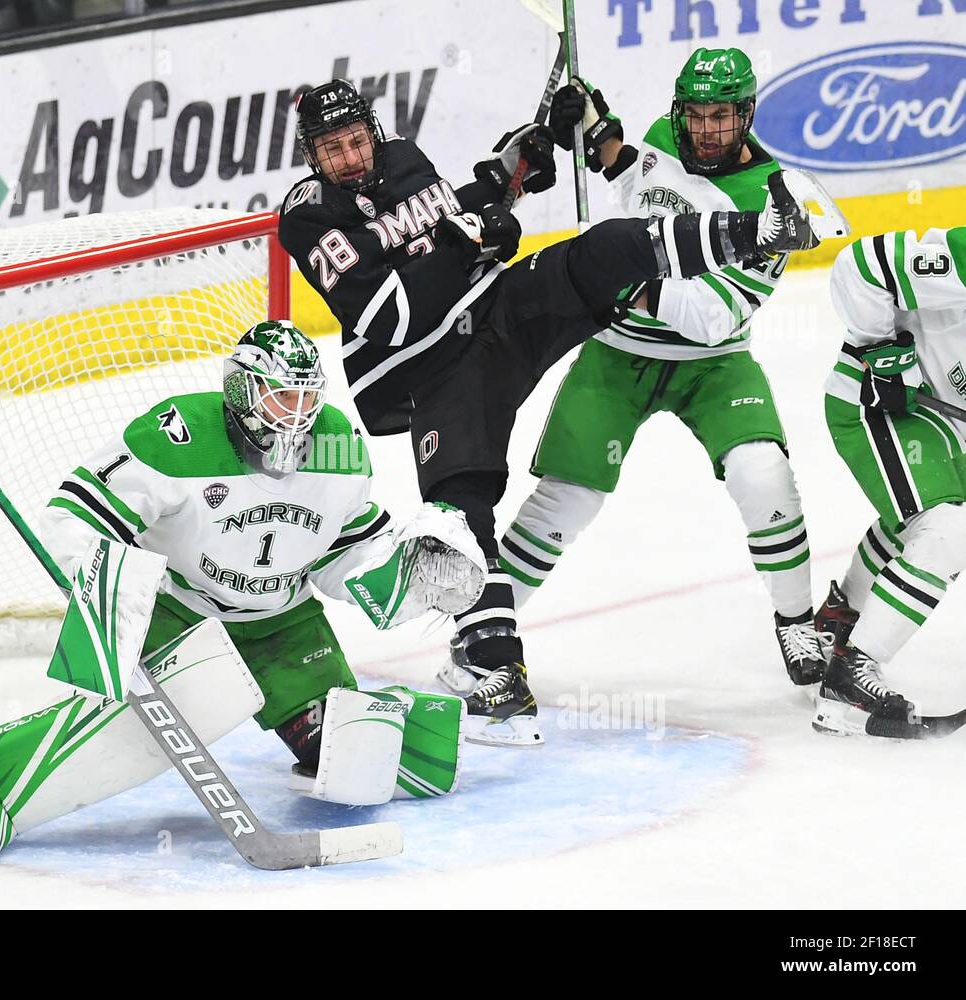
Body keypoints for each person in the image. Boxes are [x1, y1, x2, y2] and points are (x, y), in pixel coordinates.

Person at [278, 77, 825, 744]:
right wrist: (476, 239)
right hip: (428, 368)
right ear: (312, 153)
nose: (350, 157)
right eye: (332, 148)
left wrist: (519, 164)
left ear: (374, 131)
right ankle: (493, 673)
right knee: (460, 505)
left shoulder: (406, 159)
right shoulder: (307, 217)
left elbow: (461, 207)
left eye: (357, 140)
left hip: (498, 315)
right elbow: (388, 314)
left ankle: (761, 227)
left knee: (603, 252)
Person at [0, 321, 485, 860]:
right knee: (133, 737)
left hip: (284, 625)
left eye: (309, 399)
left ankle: (393, 726)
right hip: (182, 615)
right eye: (283, 397)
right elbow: (77, 513)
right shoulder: (177, 436)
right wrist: (104, 586)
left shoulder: (336, 445)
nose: (299, 416)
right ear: (242, 391)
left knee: (359, 758)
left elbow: (343, 549)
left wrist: (402, 569)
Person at [444, 48, 829, 694]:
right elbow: (634, 178)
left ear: (748, 115)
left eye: (722, 117)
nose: (706, 130)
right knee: (564, 502)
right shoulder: (663, 139)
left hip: (713, 363)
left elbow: (711, 319)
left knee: (763, 474)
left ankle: (797, 621)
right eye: (696, 115)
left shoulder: (775, 204)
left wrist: (625, 285)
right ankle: (478, 635)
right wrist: (592, 125)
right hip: (619, 352)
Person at [813, 227, 966, 738]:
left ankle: (842, 619)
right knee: (947, 531)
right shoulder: (959, 258)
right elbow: (862, 262)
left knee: (925, 524)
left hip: (941, 424)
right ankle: (851, 675)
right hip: (879, 404)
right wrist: (884, 350)